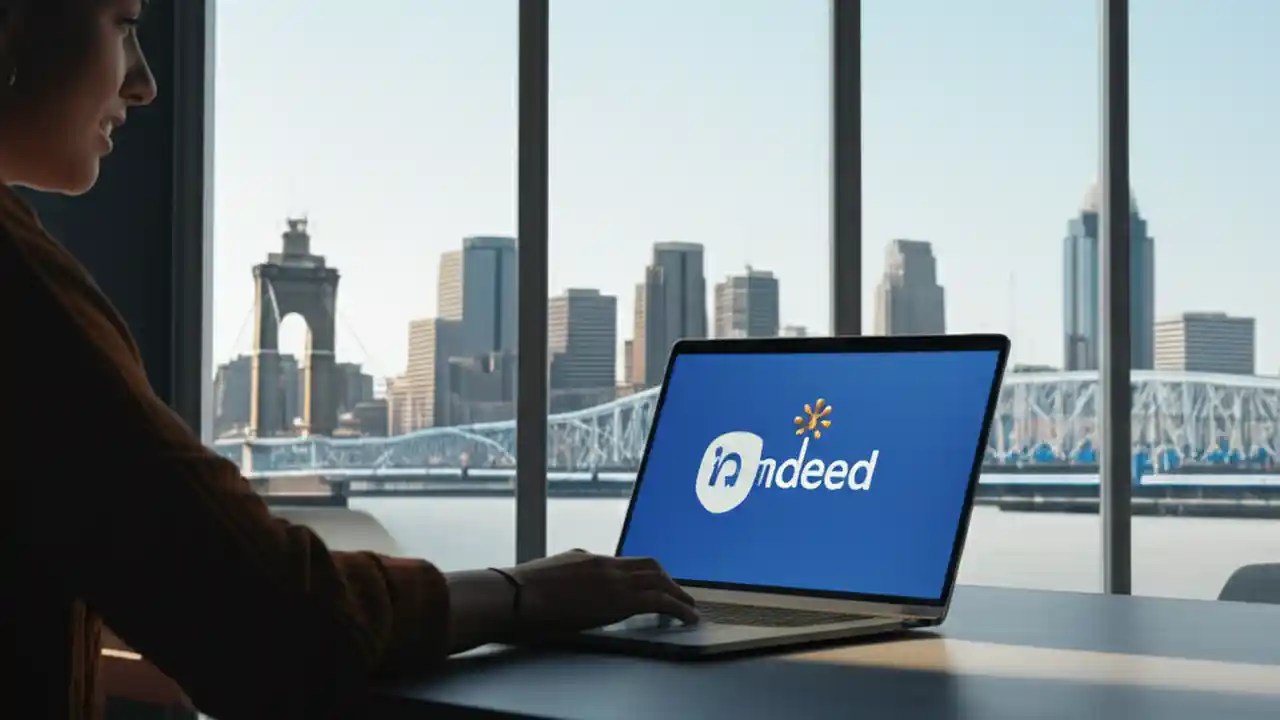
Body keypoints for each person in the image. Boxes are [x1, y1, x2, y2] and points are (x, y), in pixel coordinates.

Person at [0, 2, 697, 718]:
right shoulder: (21, 291)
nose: (145, 82)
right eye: (123, 23)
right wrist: (526, 593)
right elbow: (271, 616)